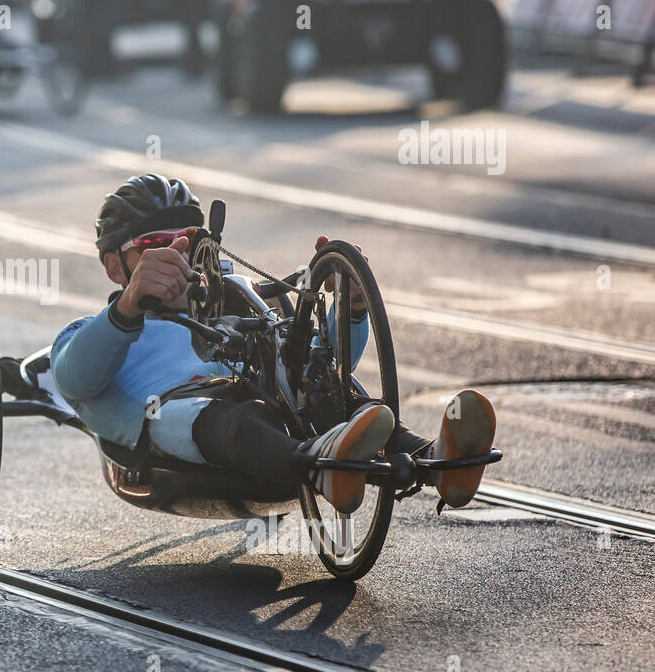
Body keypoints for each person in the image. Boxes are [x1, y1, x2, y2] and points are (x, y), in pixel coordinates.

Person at [50, 175, 497, 513]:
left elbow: (326, 361)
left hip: (268, 409)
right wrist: (129, 305)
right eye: (156, 246)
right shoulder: (87, 333)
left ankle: (436, 458)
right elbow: (74, 378)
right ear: (115, 265)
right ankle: (318, 463)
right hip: (180, 420)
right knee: (222, 415)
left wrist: (351, 307)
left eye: (189, 241)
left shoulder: (236, 298)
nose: (177, 255)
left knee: (329, 387)